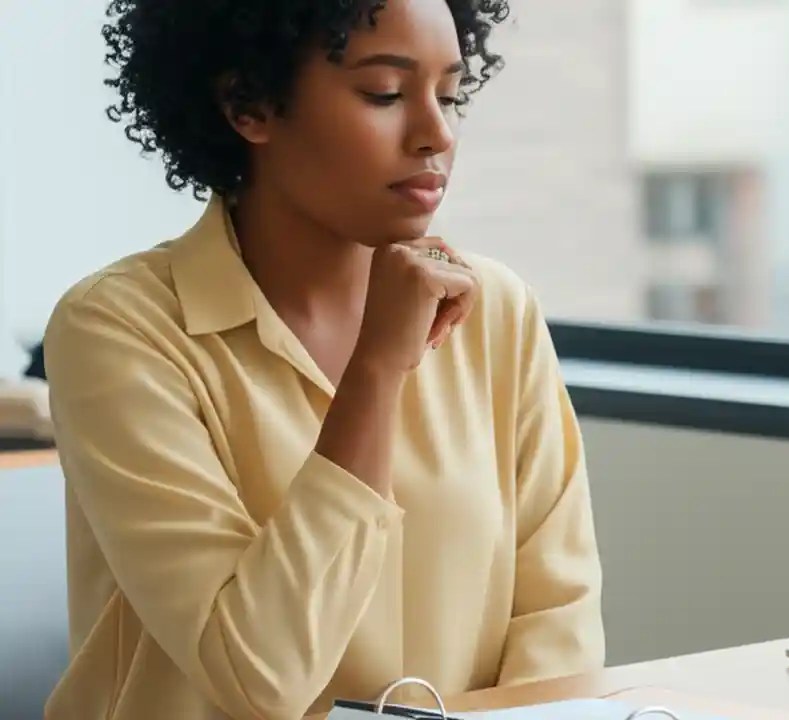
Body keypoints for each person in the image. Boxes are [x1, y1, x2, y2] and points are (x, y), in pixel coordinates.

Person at [41, 1, 605, 718]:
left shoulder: (497, 310)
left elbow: (559, 626)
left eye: (450, 94)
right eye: (386, 95)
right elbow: (256, 677)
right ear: (249, 104)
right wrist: (376, 370)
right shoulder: (119, 331)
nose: (436, 134)